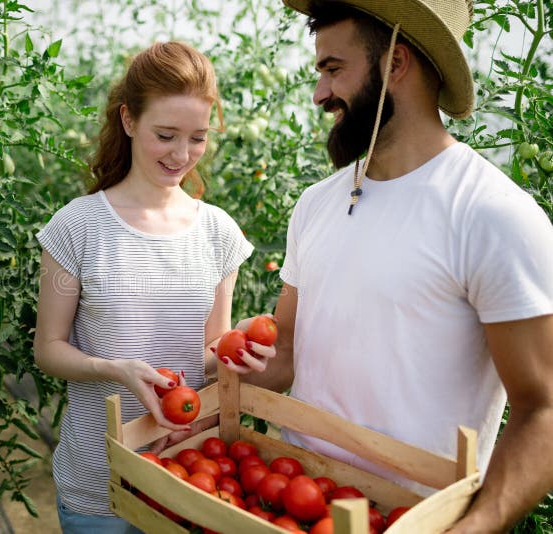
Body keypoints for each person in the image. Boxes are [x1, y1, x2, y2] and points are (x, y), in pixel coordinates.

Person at [225, 1, 553, 532]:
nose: (319, 94)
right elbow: (286, 353)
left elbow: (544, 409)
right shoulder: (315, 204)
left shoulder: (490, 214)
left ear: (395, 63)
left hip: (412, 518)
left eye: (333, 70)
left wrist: (480, 523)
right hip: (290, 499)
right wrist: (249, 354)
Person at [33, 41, 254, 533]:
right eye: (166, 135)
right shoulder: (78, 227)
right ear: (129, 121)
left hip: (188, 472)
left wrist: (241, 351)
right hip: (100, 479)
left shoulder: (218, 232)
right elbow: (47, 350)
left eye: (197, 138)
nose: (182, 155)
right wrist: (114, 368)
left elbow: (210, 351)